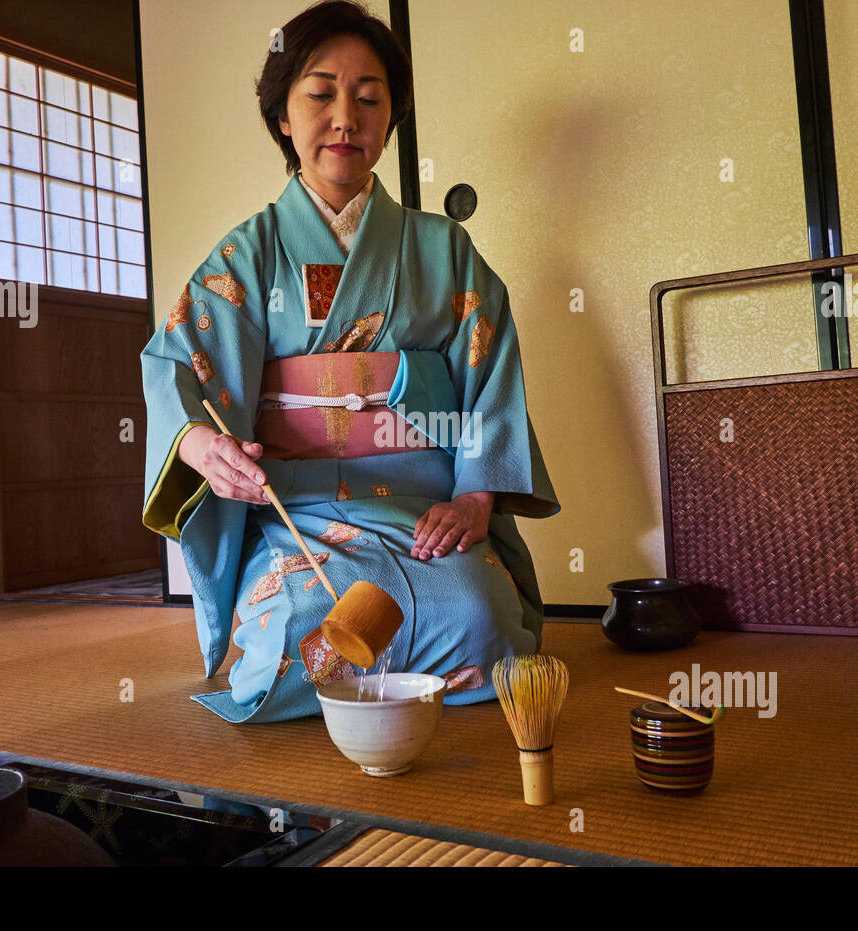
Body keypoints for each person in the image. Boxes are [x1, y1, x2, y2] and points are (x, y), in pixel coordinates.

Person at [140, 0, 558, 723]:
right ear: (283, 116)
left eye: (369, 99)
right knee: (290, 636)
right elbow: (178, 362)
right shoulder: (250, 252)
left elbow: (492, 384)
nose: (346, 117)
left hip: (423, 508)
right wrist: (201, 443)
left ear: (389, 118)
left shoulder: (442, 249)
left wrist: (474, 498)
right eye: (321, 94)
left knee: (483, 623)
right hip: (297, 512)